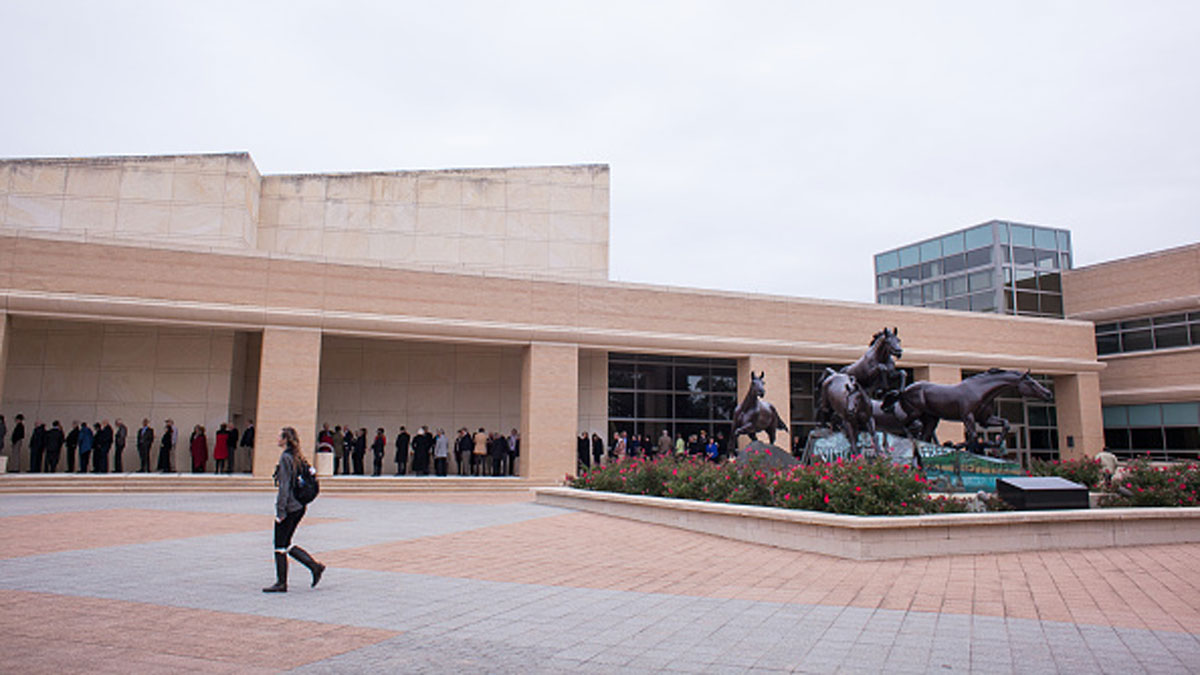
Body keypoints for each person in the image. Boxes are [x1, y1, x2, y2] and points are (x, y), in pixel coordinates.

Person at [263, 427, 325, 593]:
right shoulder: (297, 457)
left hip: (290, 506)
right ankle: (314, 566)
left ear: (285, 439)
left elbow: (284, 487)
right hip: (299, 506)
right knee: (286, 543)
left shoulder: (285, 458)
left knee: (279, 545)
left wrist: (280, 512)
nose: (277, 438)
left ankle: (281, 583)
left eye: (279, 436)